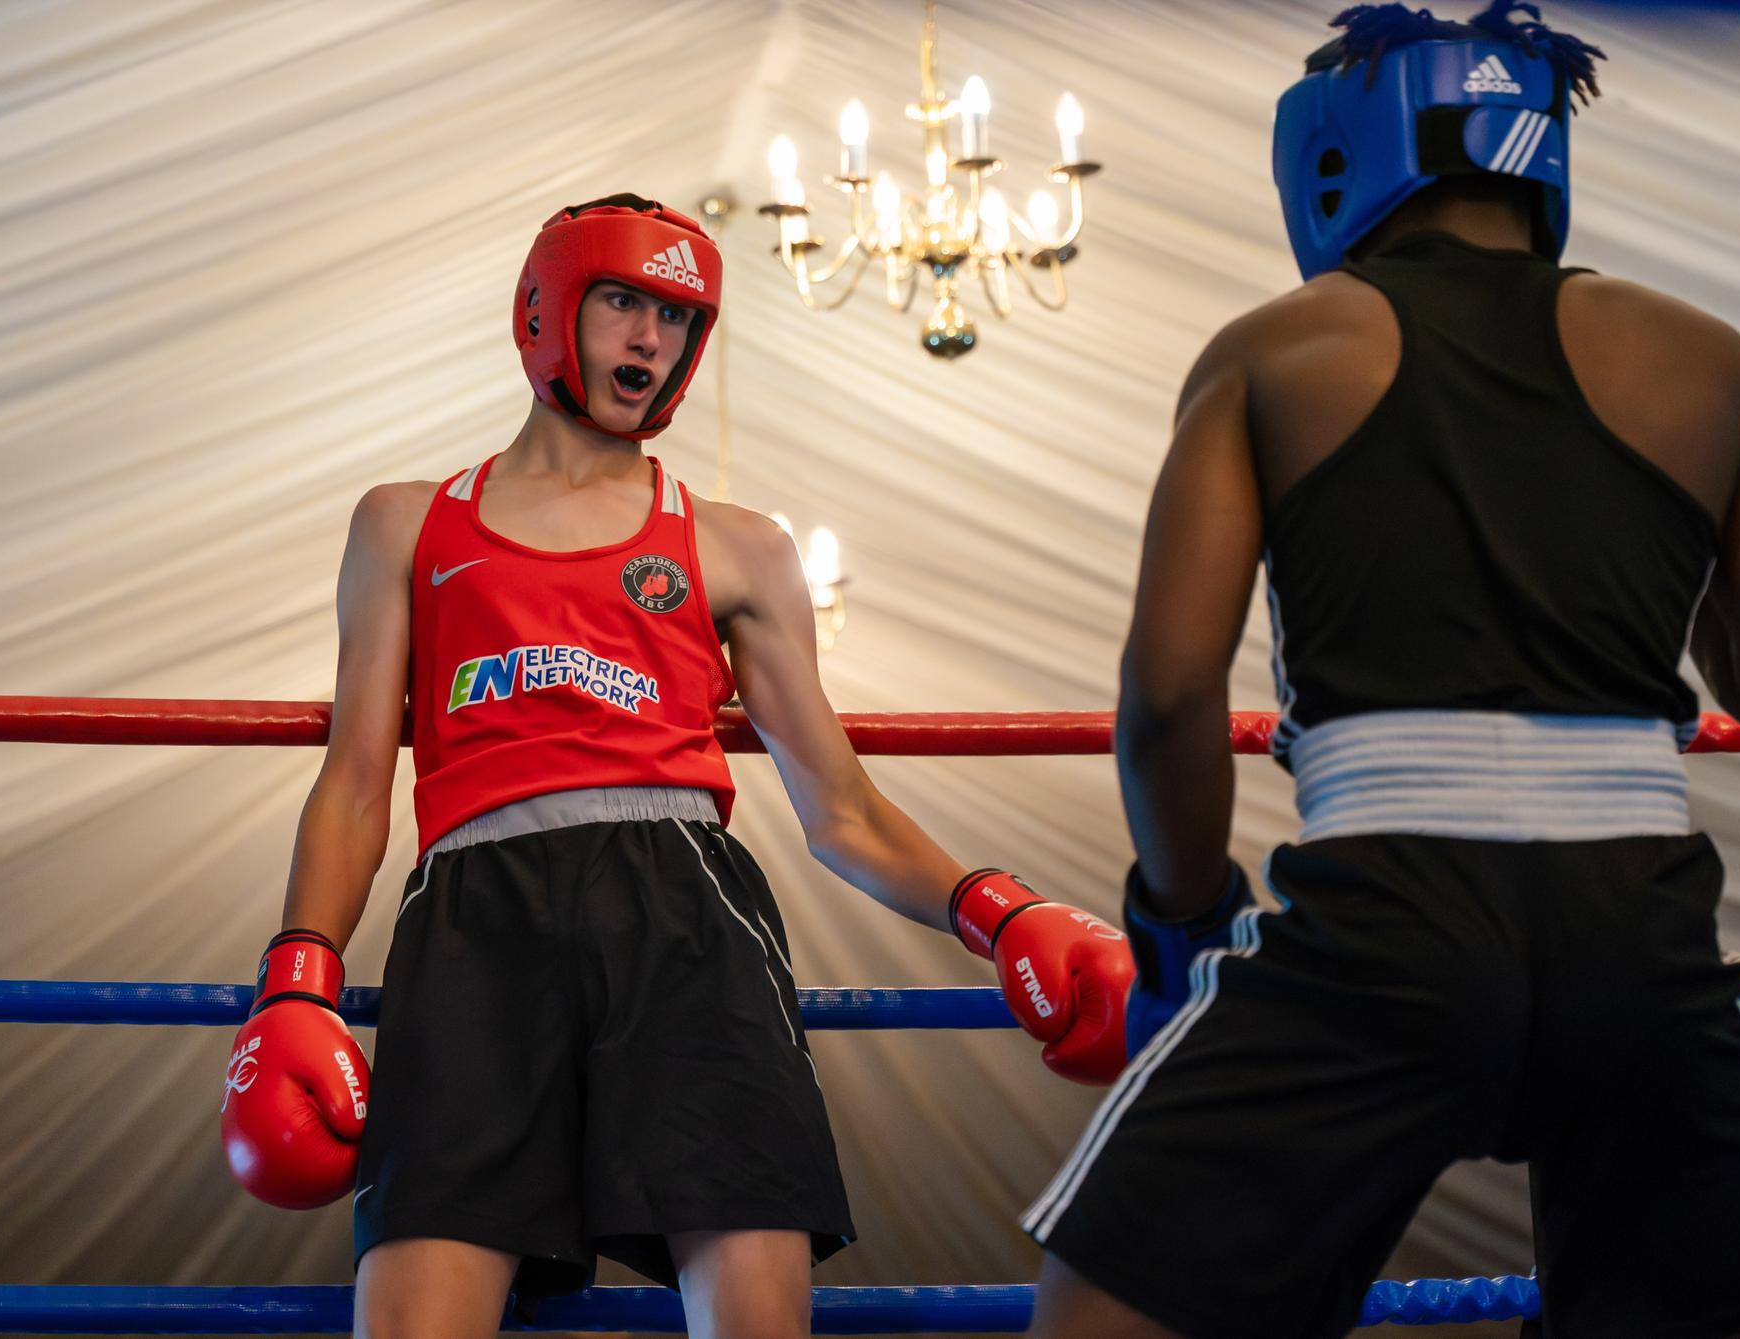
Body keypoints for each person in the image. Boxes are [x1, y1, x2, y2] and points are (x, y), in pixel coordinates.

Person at [1019, 4, 1740, 1337]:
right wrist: (1651, 549)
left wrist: (1182, 921)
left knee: (1098, 1312)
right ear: (1540, 155)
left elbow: (1173, 692)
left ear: (1334, 155)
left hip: (1382, 920)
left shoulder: (1277, 349)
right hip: (1637, 932)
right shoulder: (1701, 358)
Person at [216, 193, 1134, 1339]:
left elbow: (840, 809)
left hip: (685, 913)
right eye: (622, 303)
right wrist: (298, 970)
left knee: (756, 1321)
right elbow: (356, 781)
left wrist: (996, 912)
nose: (650, 340)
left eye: (675, 317)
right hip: (471, 920)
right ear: (551, 311)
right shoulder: (407, 523)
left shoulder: (738, 543)